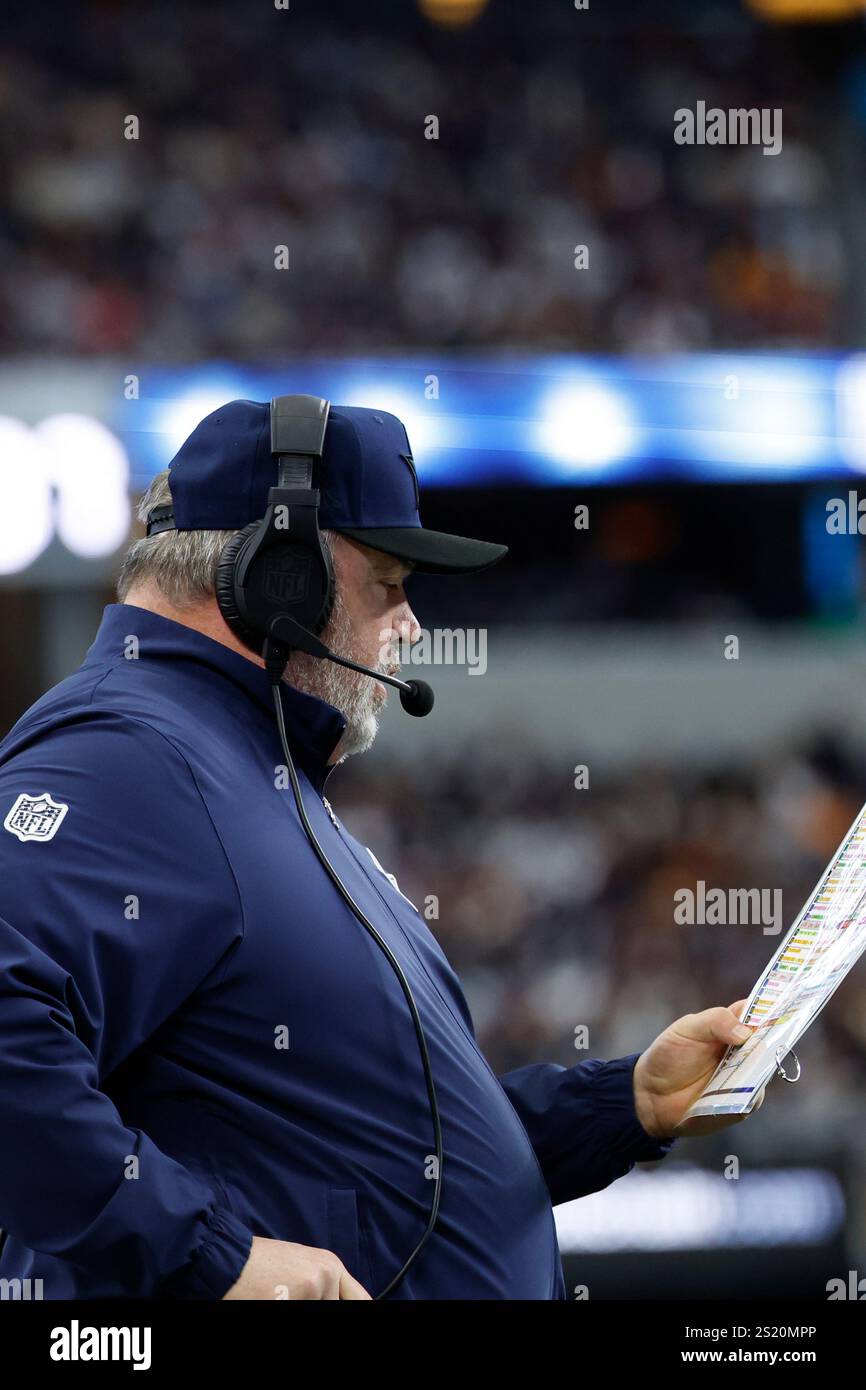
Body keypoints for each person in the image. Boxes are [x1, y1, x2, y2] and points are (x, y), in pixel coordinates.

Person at [0, 400, 762, 1300]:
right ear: (279, 577)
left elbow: (385, 1163)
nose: (412, 626)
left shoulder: (243, 768)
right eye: (390, 583)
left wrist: (619, 1103)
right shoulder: (130, 751)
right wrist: (213, 1254)